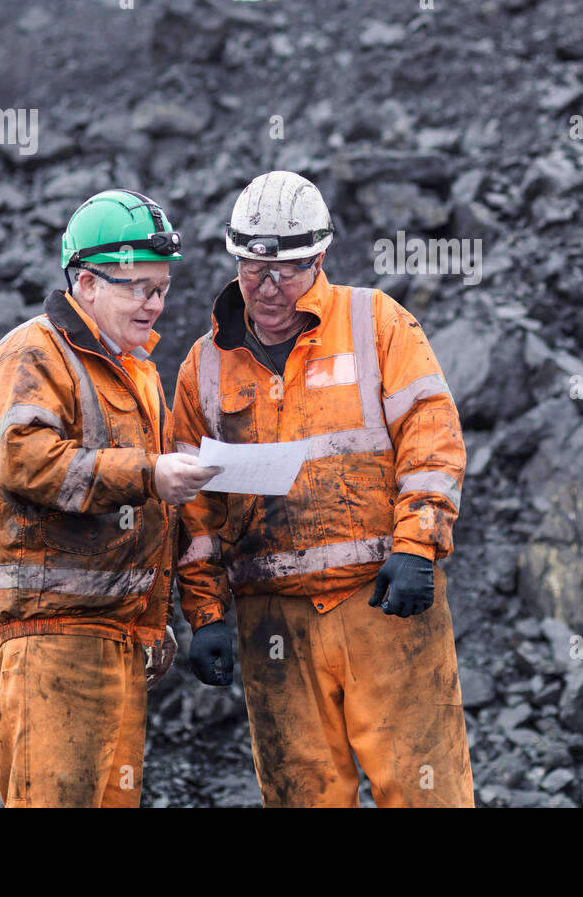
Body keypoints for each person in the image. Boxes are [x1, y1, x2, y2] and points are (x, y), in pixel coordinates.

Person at [173, 170, 474, 807]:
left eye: (289, 269)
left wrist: (418, 544)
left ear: (321, 257)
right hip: (273, 620)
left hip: (382, 603)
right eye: (254, 269)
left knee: (427, 793)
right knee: (302, 798)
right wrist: (204, 614)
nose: (269, 287)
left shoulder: (375, 323)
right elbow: (193, 506)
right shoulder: (203, 366)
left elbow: (432, 431)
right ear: (235, 260)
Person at [0, 188, 215, 807]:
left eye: (160, 289)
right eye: (138, 287)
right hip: (53, 636)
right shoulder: (33, 353)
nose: (154, 304)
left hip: (121, 638)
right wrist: (149, 474)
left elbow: (152, 507)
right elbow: (23, 458)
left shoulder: (136, 372)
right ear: (85, 282)